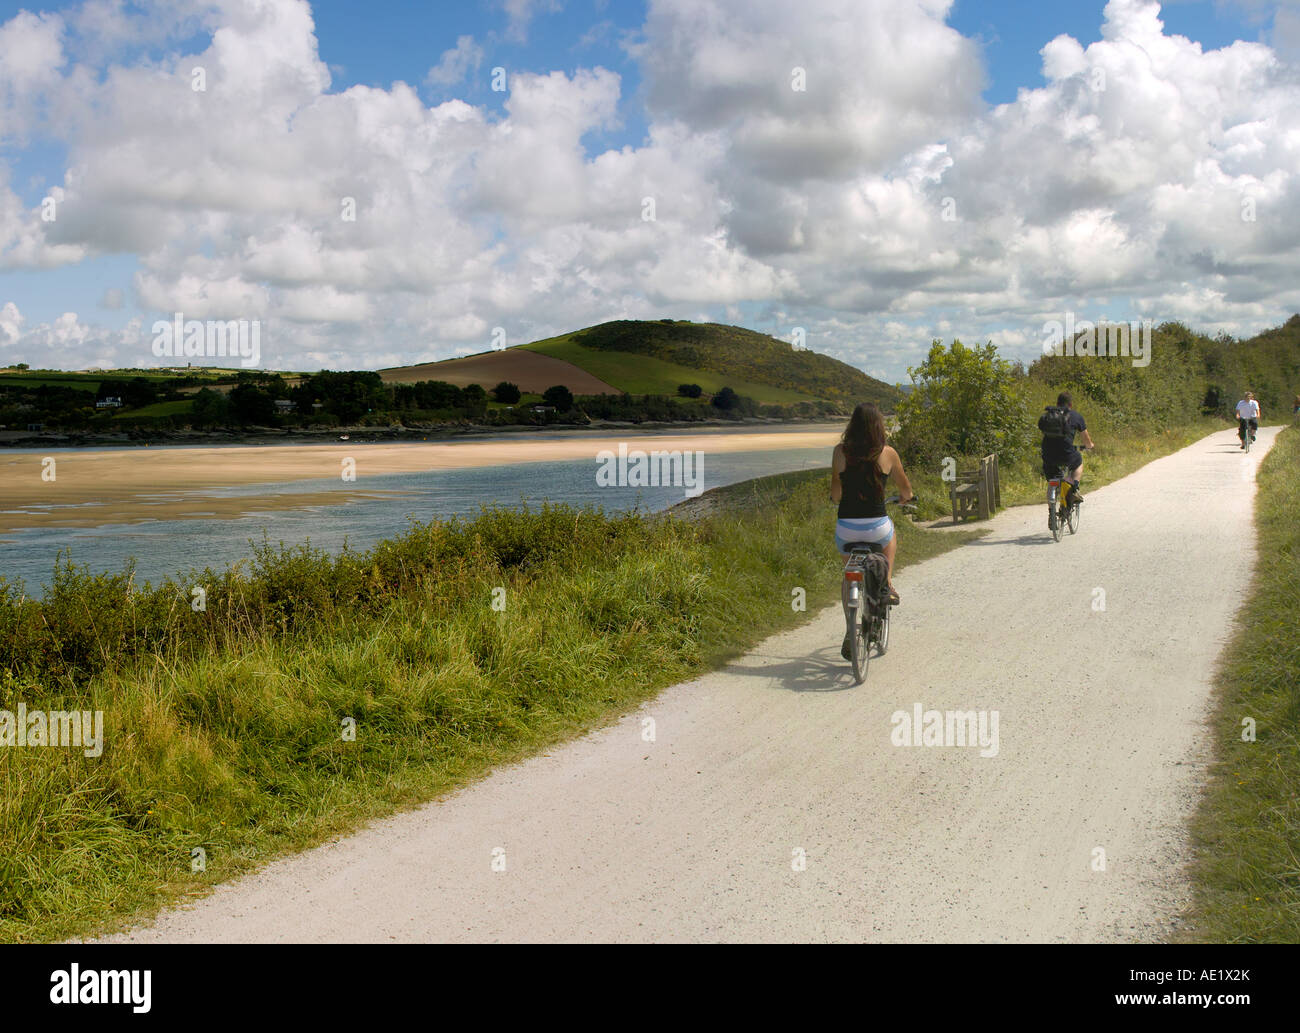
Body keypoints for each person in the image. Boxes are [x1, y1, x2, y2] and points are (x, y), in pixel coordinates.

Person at [831, 402, 914, 648]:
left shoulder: (839, 452)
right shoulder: (888, 453)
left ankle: (850, 628)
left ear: (852, 425)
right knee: (891, 535)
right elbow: (905, 489)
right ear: (879, 425)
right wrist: (904, 498)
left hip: (846, 528)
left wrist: (838, 498)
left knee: (849, 578)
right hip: (877, 527)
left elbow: (836, 493)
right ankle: (886, 583)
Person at [1038, 391, 1094, 506]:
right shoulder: (1076, 416)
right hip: (1066, 454)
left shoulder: (1050, 415)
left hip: (1048, 454)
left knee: (1052, 481)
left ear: (1057, 403)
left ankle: (1051, 512)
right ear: (1070, 405)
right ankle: (1073, 489)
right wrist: (1089, 446)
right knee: (1078, 462)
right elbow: (1086, 439)